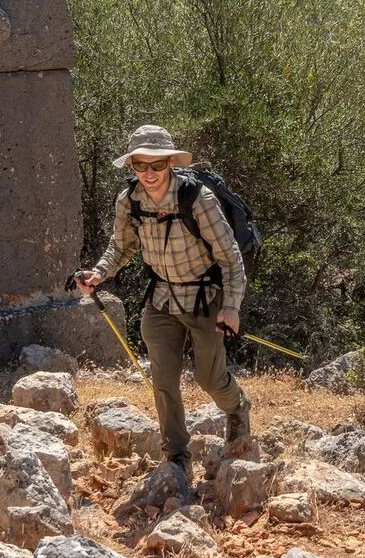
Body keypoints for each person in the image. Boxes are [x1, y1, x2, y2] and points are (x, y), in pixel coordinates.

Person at [69, 125, 251, 484]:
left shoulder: (197, 199)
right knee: (163, 380)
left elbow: (230, 257)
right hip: (160, 300)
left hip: (203, 299)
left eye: (157, 164)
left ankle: (237, 408)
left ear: (170, 162)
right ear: (132, 165)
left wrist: (231, 306)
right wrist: (98, 273)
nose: (149, 173)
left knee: (210, 378)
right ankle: (178, 456)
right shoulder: (129, 201)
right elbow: (120, 247)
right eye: (141, 165)